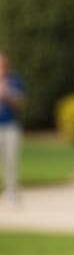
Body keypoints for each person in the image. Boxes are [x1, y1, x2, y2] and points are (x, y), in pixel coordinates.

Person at [0, 49, 27, 205]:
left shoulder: (15, 81)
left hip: (10, 126)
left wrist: (7, 94)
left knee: (11, 161)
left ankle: (12, 192)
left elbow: (21, 103)